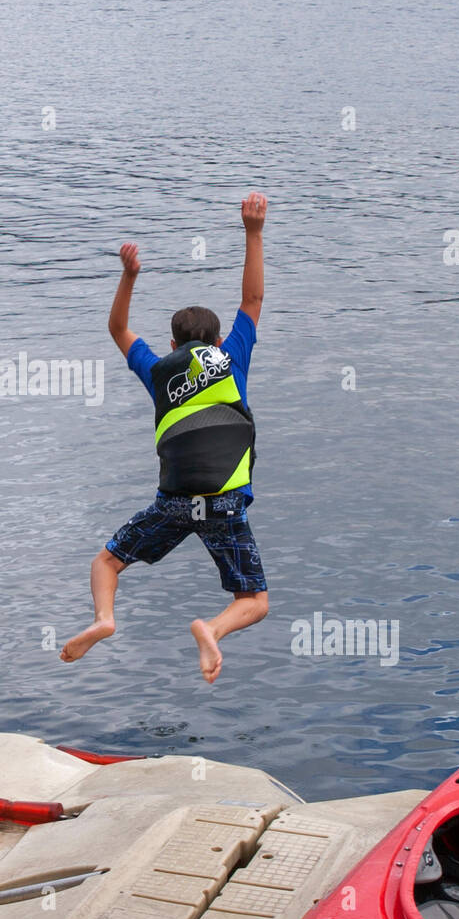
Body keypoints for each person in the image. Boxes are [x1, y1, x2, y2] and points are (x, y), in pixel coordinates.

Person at [60, 193, 269, 684]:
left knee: (107, 561)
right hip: (224, 504)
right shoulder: (233, 358)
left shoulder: (157, 370)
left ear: (173, 346)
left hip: (175, 503)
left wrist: (129, 276)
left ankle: (104, 620)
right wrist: (253, 233)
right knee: (254, 600)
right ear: (219, 344)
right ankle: (212, 630)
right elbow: (252, 301)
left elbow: (117, 328)